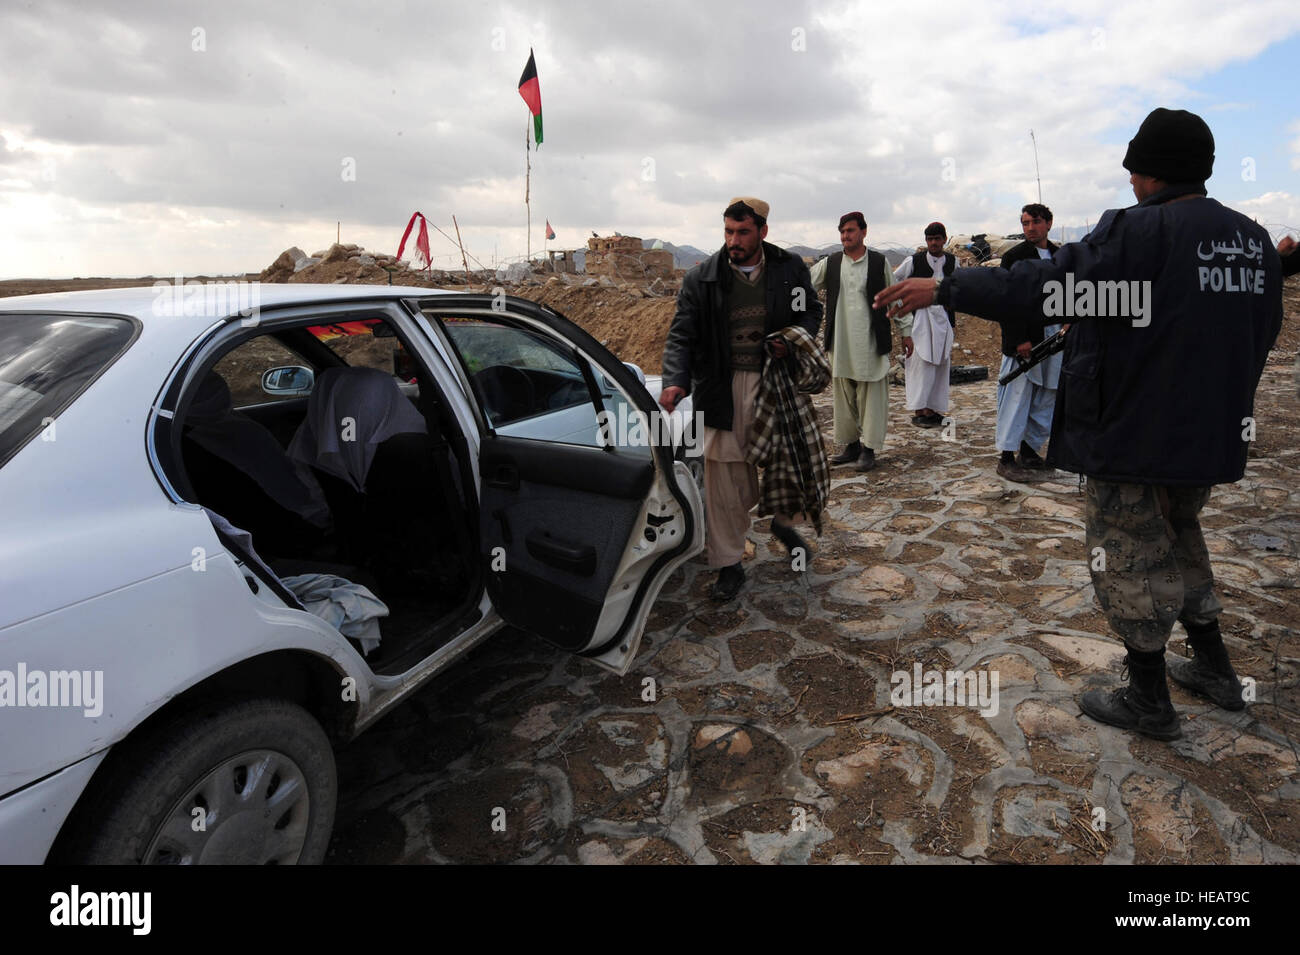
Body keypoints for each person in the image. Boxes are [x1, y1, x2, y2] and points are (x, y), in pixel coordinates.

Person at [878, 107, 1283, 741]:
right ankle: (1216, 670)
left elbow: (1047, 288)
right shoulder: (1252, 242)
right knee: (1182, 536)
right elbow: (1257, 330)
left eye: (1132, 168)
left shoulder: (1138, 233)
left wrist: (950, 290)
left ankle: (1148, 696)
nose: (1128, 181)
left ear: (1148, 171)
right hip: (1210, 432)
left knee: (1129, 555)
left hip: (1134, 432)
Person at [660, 197, 823, 601]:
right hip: (722, 388)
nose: (734, 240)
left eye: (743, 232)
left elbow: (810, 313)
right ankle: (729, 563)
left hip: (776, 384)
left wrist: (791, 340)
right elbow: (682, 333)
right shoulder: (702, 279)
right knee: (725, 483)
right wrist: (675, 380)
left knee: (789, 468)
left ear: (762, 232)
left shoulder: (789, 269)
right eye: (729, 232)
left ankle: (785, 525)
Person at [808, 212, 912, 471]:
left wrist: (906, 331)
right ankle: (851, 445)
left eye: (850, 231)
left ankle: (869, 449)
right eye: (842, 232)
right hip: (840, 342)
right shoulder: (831, 263)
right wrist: (796, 311)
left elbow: (895, 296)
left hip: (871, 341)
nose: (845, 236)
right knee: (844, 397)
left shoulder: (878, 263)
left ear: (864, 232)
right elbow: (803, 284)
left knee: (871, 397)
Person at [991, 204, 1061, 481]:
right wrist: (1019, 338)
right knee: (1017, 395)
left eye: (1035, 222)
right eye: (1025, 223)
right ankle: (1007, 457)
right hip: (1025, 339)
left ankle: (1030, 450)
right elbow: (1007, 302)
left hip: (1055, 335)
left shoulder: (1060, 256)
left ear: (1048, 223)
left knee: (1048, 395)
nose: (1030, 228)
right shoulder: (1014, 258)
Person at [891, 222, 955, 427]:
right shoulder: (914, 261)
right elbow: (893, 280)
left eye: (937, 238)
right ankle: (920, 411)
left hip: (943, 320)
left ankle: (933, 409)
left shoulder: (953, 262)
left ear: (944, 239)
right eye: (930, 239)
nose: (934, 243)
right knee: (920, 364)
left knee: (940, 365)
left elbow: (958, 286)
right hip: (919, 320)